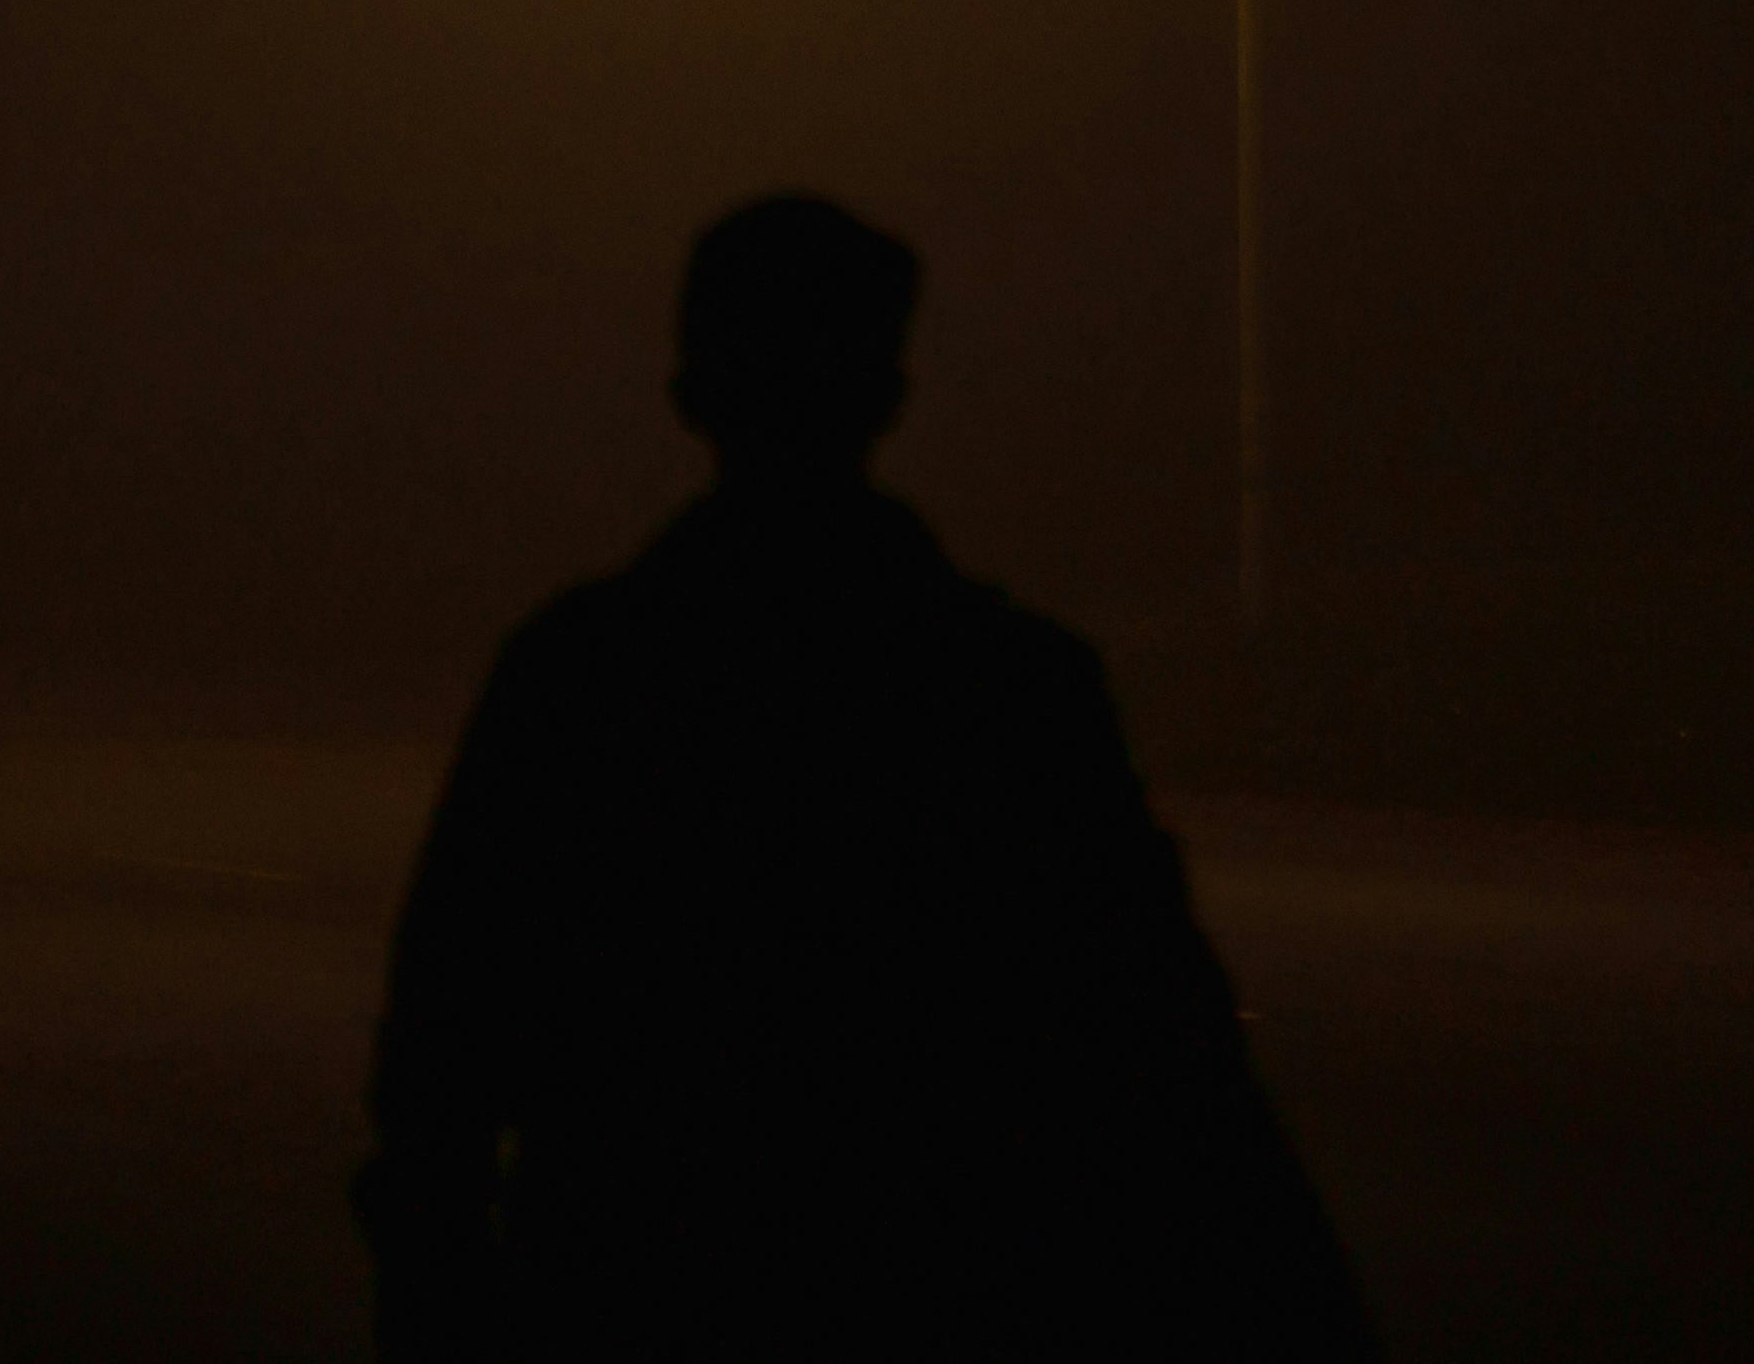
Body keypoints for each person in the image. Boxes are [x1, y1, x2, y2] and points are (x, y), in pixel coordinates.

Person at [357, 194, 1377, 1361]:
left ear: (690, 396)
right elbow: (1162, 1041)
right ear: (889, 393)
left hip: (629, 1283)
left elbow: (449, 1023)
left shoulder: (581, 673)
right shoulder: (1008, 686)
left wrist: (434, 1274)